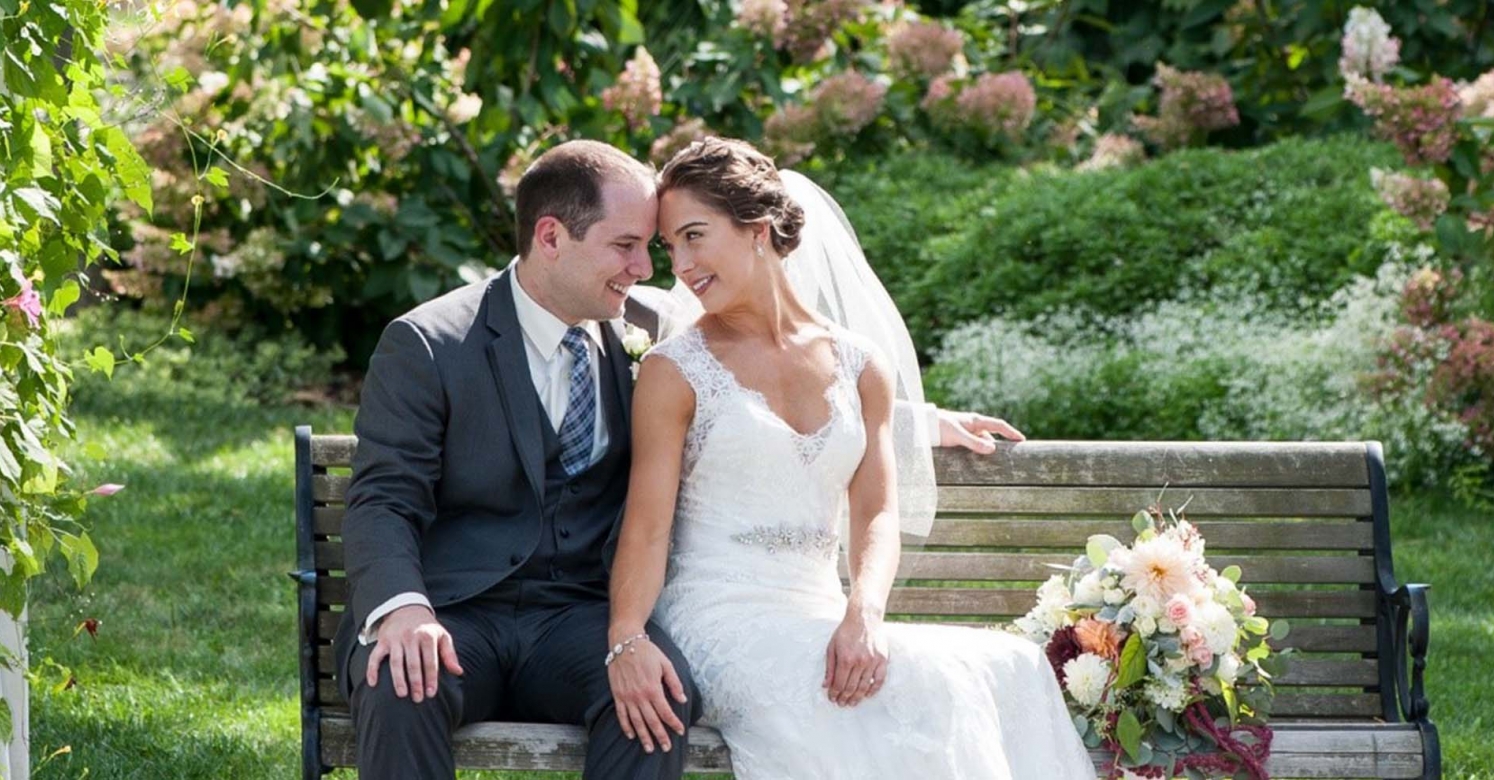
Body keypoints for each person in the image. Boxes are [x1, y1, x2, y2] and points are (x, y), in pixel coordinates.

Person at [335, 138, 1016, 779]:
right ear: (551, 238)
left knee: (657, 693)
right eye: (628, 246)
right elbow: (384, 498)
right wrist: (402, 609)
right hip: (453, 611)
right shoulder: (429, 343)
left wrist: (919, 422)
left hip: (575, 617)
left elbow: (787, 386)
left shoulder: (642, 326)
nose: (648, 270)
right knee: (399, 677)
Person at [606, 137, 1096, 779]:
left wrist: (863, 612)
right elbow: (646, 527)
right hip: (716, 618)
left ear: (756, 228)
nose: (683, 266)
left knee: (1012, 665)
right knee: (914, 684)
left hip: (820, 608)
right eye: (672, 247)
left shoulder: (862, 364)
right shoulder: (675, 370)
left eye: (695, 236)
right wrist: (628, 638)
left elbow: (877, 511)